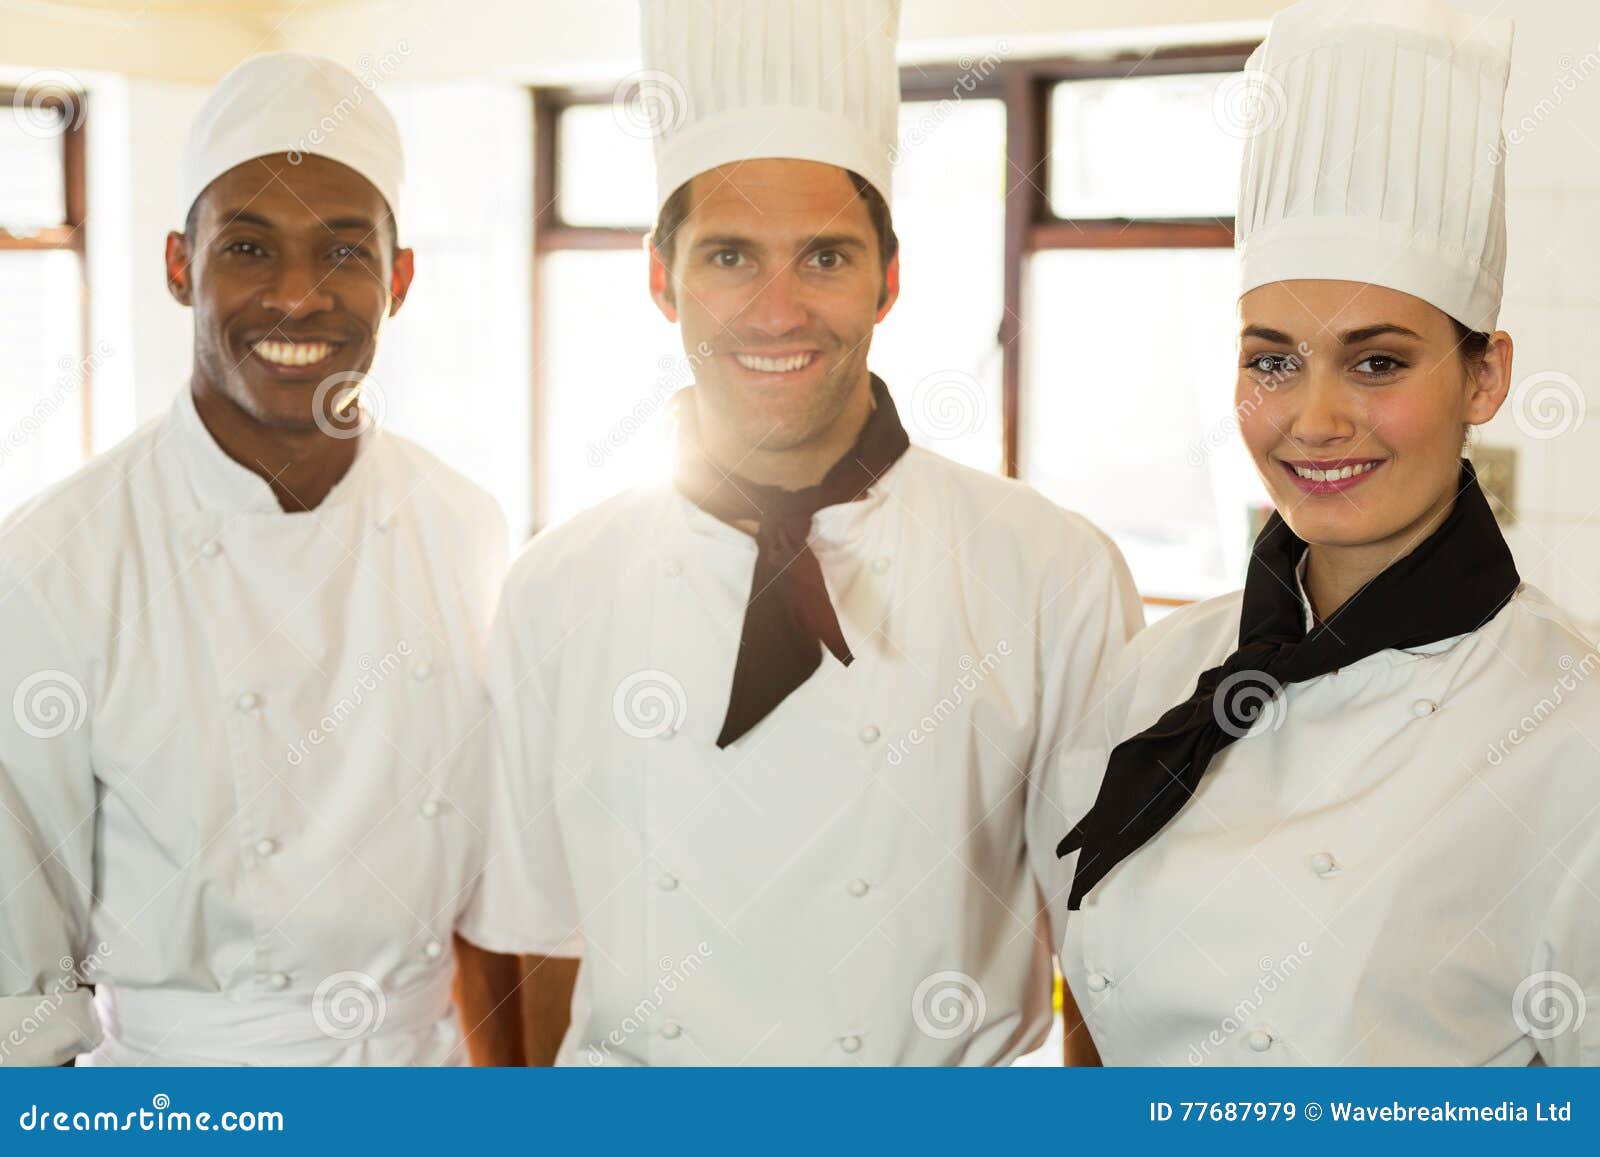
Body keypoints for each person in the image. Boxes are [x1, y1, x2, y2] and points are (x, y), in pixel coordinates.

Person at [454, 0, 1141, 1065]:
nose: (777, 311)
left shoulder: (1050, 568)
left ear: (888, 280)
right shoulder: (555, 584)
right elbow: (537, 936)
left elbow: (1105, 935)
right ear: (659, 280)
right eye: (730, 256)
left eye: (823, 257)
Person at [1052, 0, 1600, 1065]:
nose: (1313, 419)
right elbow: (1093, 1020)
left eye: (1377, 360)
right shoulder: (1158, 670)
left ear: (1482, 375)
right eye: (1271, 359)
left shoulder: (1567, 730)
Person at [0, 52, 507, 1066]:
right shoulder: (57, 556)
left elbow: (500, 896)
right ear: (179, 264)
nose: (296, 296)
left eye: (345, 252)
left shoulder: (466, 525)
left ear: (398, 278)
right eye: (247, 245)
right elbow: (17, 979)